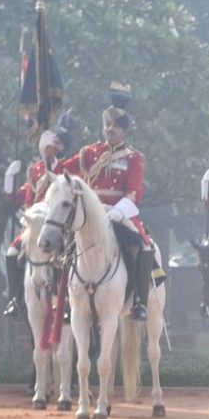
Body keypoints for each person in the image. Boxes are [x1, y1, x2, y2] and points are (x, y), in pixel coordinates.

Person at [57, 85, 155, 321]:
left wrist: (118, 212)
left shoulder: (134, 158)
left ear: (124, 131)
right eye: (107, 125)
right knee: (62, 246)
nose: (110, 130)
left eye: (116, 127)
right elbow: (61, 171)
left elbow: (134, 192)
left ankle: (139, 301)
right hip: (90, 214)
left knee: (144, 247)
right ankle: (67, 302)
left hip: (117, 213)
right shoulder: (89, 153)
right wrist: (52, 147)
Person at [2, 121, 71, 319]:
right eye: (48, 142)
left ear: (61, 147)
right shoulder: (35, 170)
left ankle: (66, 300)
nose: (49, 147)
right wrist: (9, 178)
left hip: (58, 227)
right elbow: (19, 198)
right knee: (12, 251)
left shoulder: (66, 169)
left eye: (55, 143)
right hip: (34, 226)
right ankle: (15, 298)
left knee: (68, 255)